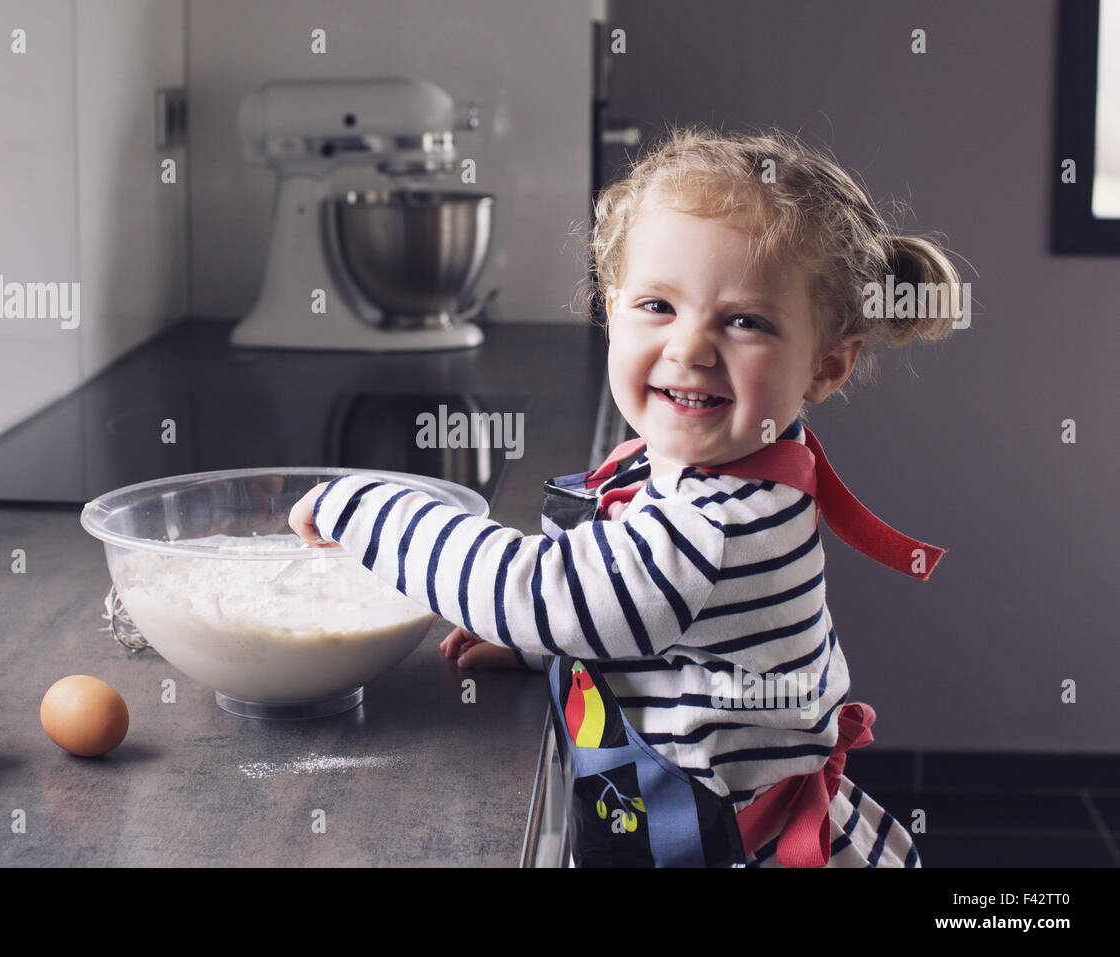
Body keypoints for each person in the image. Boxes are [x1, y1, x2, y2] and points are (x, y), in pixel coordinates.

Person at [287, 125, 962, 867]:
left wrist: (371, 508)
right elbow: (628, 609)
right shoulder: (723, 458)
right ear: (613, 310)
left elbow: (538, 588)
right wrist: (559, 641)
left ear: (825, 367)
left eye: (745, 321)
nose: (690, 348)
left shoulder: (725, 526)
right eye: (657, 306)